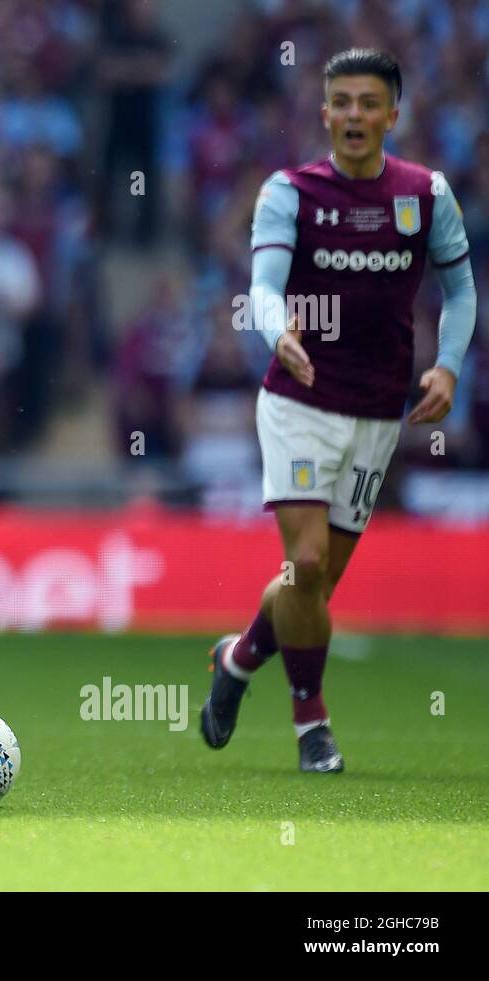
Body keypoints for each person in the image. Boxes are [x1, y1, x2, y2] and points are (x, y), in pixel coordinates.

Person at [200, 49, 476, 772]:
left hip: (381, 411)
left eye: (368, 102)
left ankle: (239, 656)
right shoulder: (291, 192)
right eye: (341, 102)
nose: (354, 114)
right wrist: (279, 331)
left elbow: (462, 290)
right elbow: (262, 284)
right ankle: (311, 721)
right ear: (325, 114)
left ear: (392, 113)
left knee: (311, 585)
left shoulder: (425, 194)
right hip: (299, 398)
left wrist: (448, 364)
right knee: (307, 558)